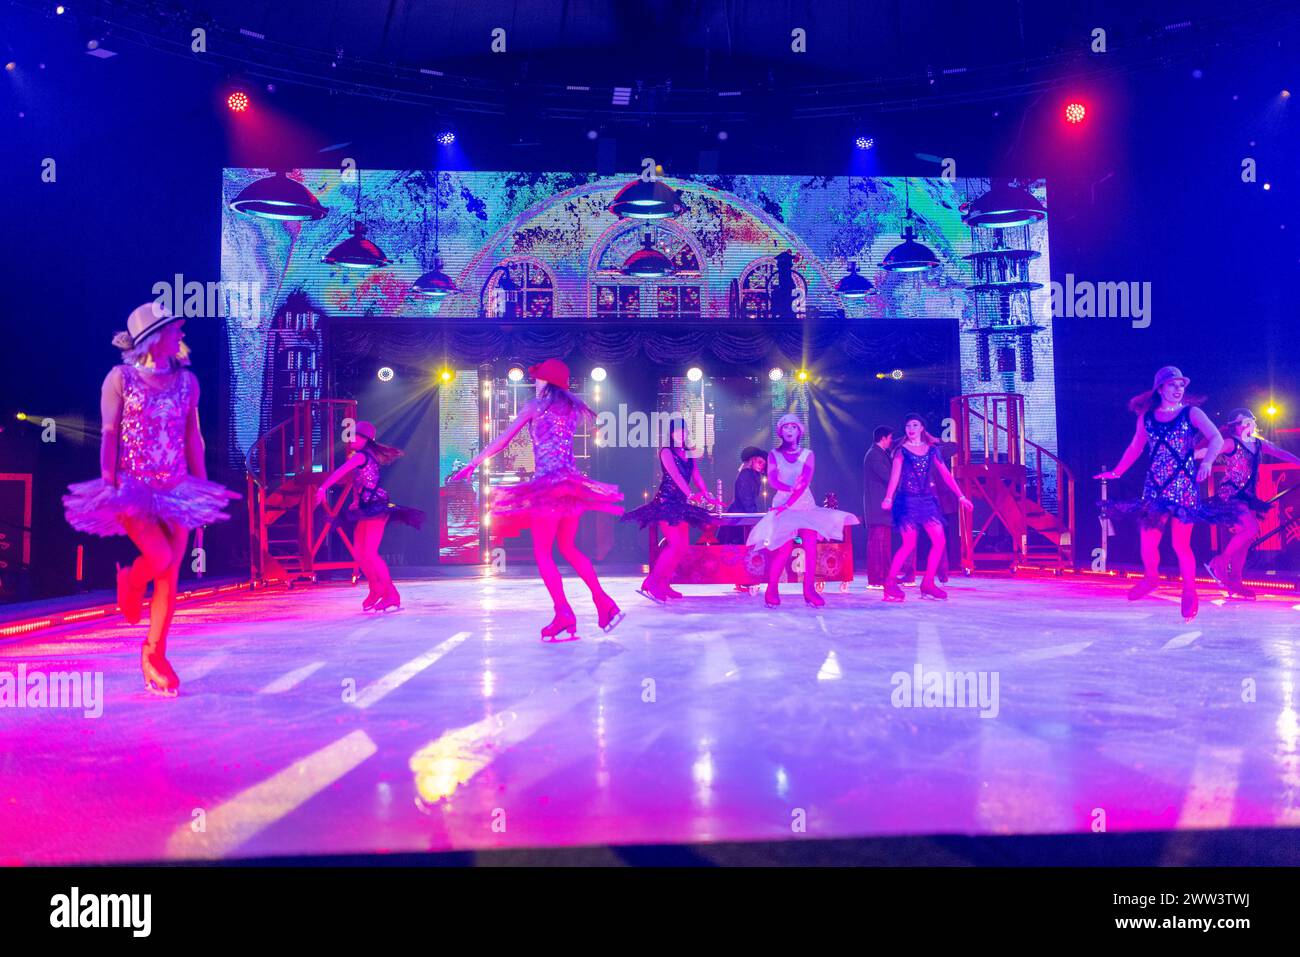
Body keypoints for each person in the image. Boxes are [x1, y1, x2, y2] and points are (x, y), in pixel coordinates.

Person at [63, 302, 239, 696]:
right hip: (133, 489)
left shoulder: (188, 382)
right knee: (158, 558)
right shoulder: (119, 378)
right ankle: (129, 580)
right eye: (175, 330)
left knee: (170, 572)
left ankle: (154, 653)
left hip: (176, 487)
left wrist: (202, 487)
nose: (181, 335)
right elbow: (109, 433)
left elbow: (193, 437)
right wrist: (108, 479)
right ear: (155, 338)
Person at [448, 359, 624, 641]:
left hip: (548, 488)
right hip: (570, 487)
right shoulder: (571, 409)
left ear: (547, 381)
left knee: (543, 552)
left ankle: (563, 612)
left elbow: (504, 440)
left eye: (538, 377)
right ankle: (604, 602)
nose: (534, 381)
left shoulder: (534, 407)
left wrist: (474, 463)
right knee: (568, 548)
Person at [1095, 366, 1227, 622]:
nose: (1179, 389)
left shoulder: (1192, 413)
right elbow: (1135, 447)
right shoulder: (1146, 417)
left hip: (1183, 488)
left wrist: (1208, 462)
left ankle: (1189, 591)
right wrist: (1117, 472)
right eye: (1173, 384)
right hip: (1155, 488)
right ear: (1160, 388)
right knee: (1148, 541)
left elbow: (1217, 438)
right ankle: (1151, 577)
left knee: (1180, 544)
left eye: (1181, 385)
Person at [746, 413, 859, 608]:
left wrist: (790, 500)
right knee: (783, 550)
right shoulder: (774, 454)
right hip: (783, 504)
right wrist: (788, 492)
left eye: (793, 427)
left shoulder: (808, 454)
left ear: (799, 431)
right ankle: (772, 589)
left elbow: (804, 482)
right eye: (786, 427)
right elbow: (773, 480)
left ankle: (809, 590)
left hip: (803, 505)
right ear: (781, 432)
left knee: (810, 547)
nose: (789, 430)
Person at [315, 421, 425, 612]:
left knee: (370, 553)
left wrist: (323, 487)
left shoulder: (361, 456)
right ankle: (375, 589)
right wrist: (357, 501)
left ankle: (391, 594)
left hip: (376, 509)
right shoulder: (363, 456)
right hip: (365, 509)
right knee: (359, 553)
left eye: (355, 436)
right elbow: (362, 482)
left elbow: (341, 472)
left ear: (364, 439)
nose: (351, 439)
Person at [622, 416, 724, 602]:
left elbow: (696, 475)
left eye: (684, 430)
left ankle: (664, 583)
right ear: (671, 433)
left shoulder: (689, 452)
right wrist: (691, 494)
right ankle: (652, 582)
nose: (681, 434)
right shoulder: (666, 452)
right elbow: (676, 476)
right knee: (675, 544)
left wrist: (706, 493)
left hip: (681, 504)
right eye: (677, 430)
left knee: (682, 547)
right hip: (666, 503)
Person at [1202, 407, 1300, 599]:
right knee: (1251, 529)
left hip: (1248, 496)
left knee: (1246, 539)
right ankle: (1219, 562)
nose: (1249, 423)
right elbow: (1211, 450)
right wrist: (1199, 458)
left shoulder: (1258, 443)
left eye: (1250, 420)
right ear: (1236, 427)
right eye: (1244, 421)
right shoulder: (1230, 443)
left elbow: (1281, 453)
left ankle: (1235, 581)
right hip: (1230, 494)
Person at [879, 414, 973, 602]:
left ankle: (928, 583)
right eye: (907, 425)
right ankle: (889, 583)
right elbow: (895, 476)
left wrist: (961, 496)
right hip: (907, 501)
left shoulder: (931, 450)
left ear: (922, 428)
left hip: (927, 502)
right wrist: (888, 498)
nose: (910, 428)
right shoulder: (901, 451)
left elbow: (946, 475)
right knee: (909, 544)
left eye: (915, 425)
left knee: (939, 541)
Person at [862, 426, 895, 588]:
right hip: (877, 507)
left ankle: (884, 577)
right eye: (889, 438)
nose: (891, 441)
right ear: (883, 438)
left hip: (882, 508)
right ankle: (876, 579)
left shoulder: (881, 454)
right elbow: (889, 477)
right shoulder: (875, 455)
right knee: (877, 545)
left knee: (884, 545)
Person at [718, 445, 767, 545]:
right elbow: (747, 499)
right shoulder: (747, 474)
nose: (761, 466)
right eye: (759, 462)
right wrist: (755, 519)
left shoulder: (751, 474)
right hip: (739, 518)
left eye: (763, 464)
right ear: (752, 460)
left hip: (740, 516)